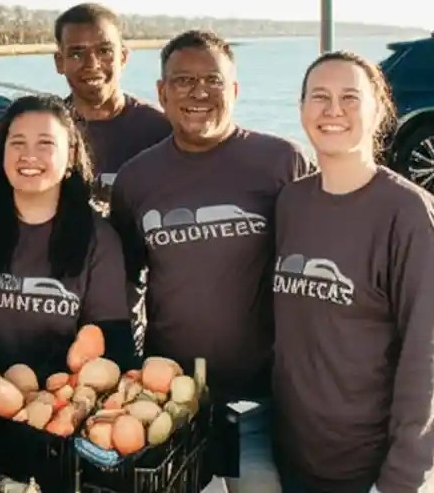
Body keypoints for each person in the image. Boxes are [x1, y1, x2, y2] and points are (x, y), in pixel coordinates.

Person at [108, 30, 314, 492]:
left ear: (235, 91)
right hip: (169, 400)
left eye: (212, 81)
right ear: (161, 93)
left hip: (260, 399)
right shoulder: (137, 179)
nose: (198, 92)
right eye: (182, 81)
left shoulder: (281, 162)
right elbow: (126, 281)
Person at [274, 51, 434, 493]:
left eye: (350, 97)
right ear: (302, 110)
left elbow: (426, 360)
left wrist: (403, 481)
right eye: (319, 96)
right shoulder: (291, 204)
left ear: (379, 110)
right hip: (294, 463)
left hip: (373, 475)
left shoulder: (411, 215)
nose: (333, 110)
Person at [0, 94, 136, 376]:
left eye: (45, 144)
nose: (29, 156)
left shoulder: (98, 239)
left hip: (58, 405)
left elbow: (111, 340)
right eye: (17, 143)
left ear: (71, 154)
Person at [52, 3, 170, 201]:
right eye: (76, 53)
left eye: (104, 51)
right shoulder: (48, 131)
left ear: (123, 57)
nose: (92, 64)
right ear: (59, 62)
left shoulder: (160, 130)